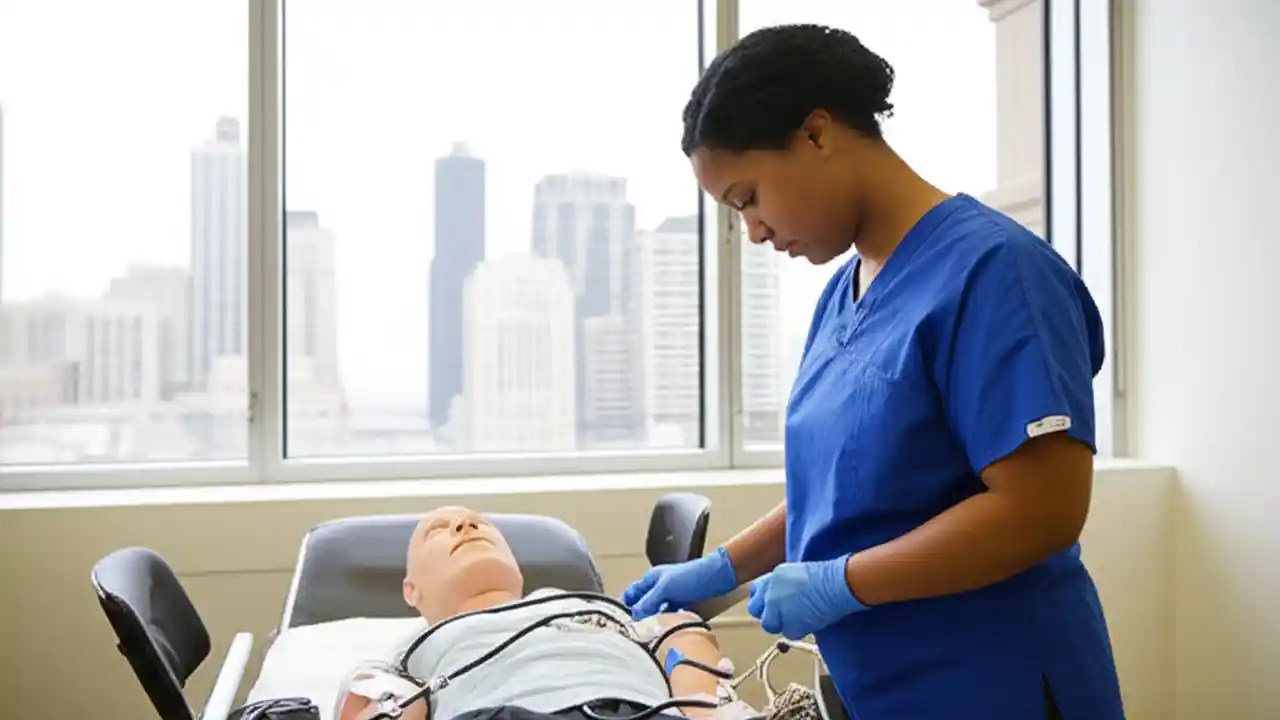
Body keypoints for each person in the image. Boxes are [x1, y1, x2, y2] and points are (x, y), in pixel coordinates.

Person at [622, 23, 1124, 720]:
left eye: (749, 199)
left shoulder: (996, 273)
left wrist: (841, 583)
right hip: (884, 687)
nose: (755, 233)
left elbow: (1042, 511)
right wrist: (727, 569)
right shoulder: (845, 292)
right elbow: (851, 489)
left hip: (994, 681)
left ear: (818, 134)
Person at [336, 506, 741, 720]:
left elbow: (679, 632)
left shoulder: (582, 606)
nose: (464, 525)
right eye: (438, 531)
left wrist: (713, 710)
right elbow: (371, 706)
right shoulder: (410, 652)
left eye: (478, 523)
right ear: (412, 589)